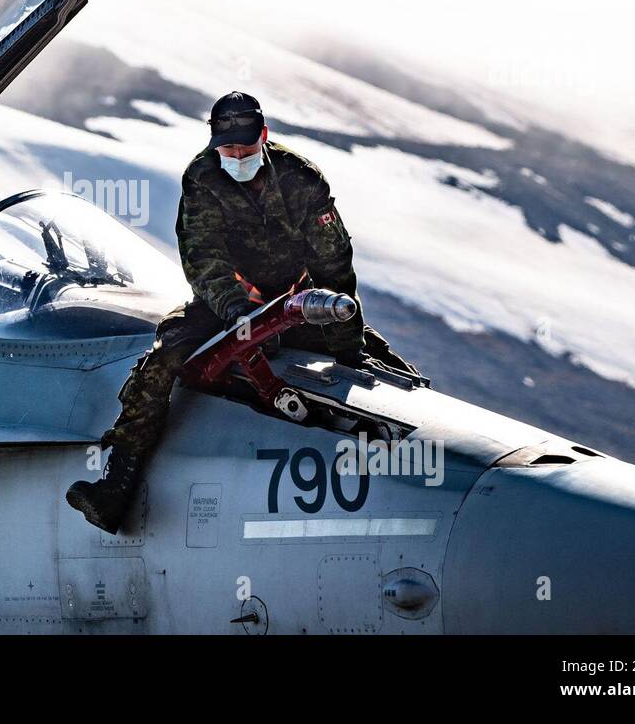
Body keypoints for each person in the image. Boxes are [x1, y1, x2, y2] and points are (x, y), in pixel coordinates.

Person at [65, 91, 418, 534]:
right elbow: (203, 258)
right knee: (164, 359)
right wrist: (237, 312)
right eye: (228, 149)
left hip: (300, 300)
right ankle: (116, 487)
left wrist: (345, 340)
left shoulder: (301, 179)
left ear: (264, 138)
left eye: (246, 149)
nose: (236, 157)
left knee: (378, 362)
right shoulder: (202, 178)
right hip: (228, 303)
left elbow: (333, 262)